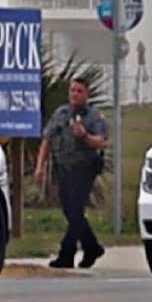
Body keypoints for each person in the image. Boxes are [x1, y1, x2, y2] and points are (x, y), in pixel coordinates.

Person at [33, 77, 108, 269]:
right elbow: (47, 140)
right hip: (63, 168)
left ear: (87, 94)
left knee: (75, 208)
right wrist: (40, 167)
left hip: (84, 167)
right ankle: (91, 247)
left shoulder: (93, 116)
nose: (75, 94)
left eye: (79, 91)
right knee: (70, 210)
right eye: (72, 90)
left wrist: (84, 136)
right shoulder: (61, 113)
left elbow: (101, 141)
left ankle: (66, 253)